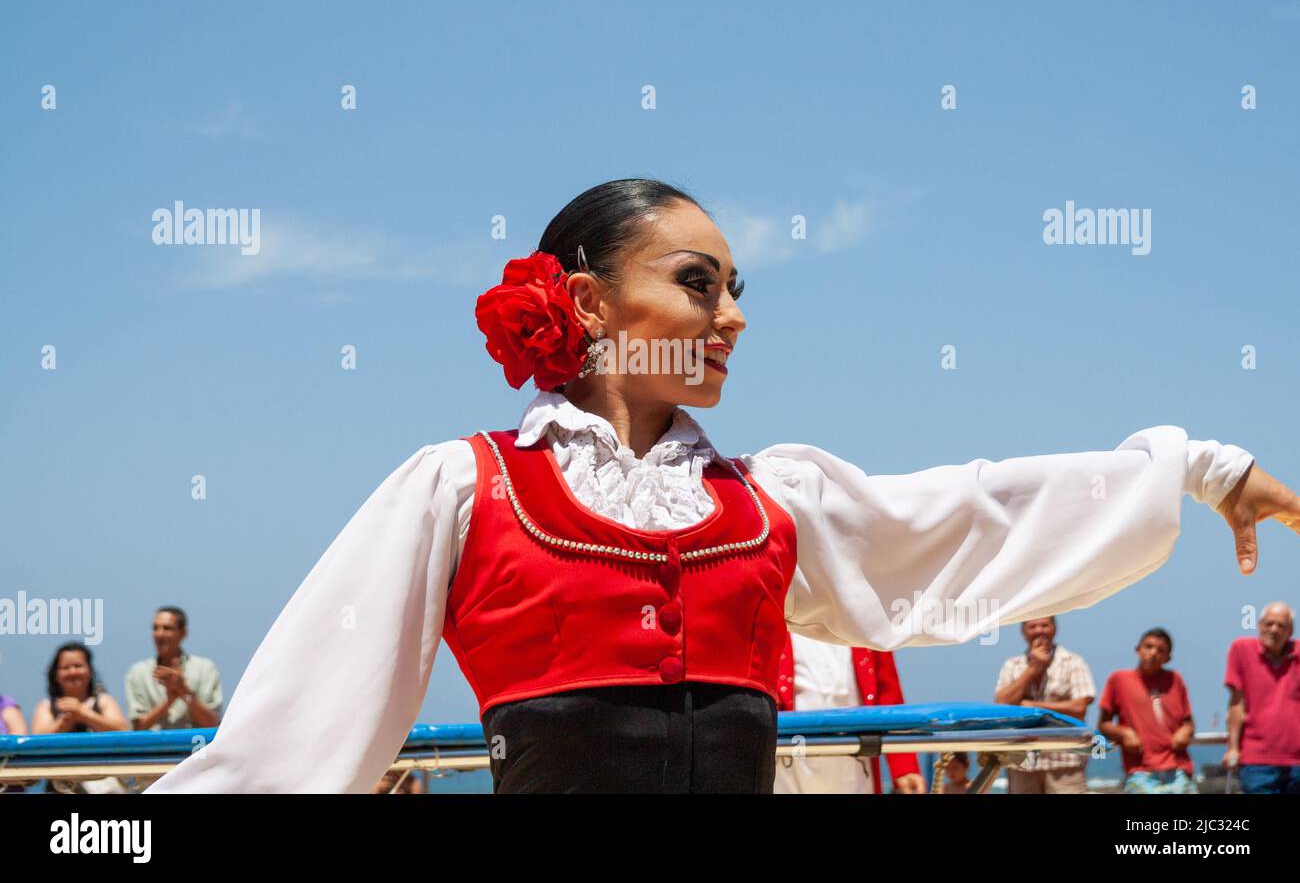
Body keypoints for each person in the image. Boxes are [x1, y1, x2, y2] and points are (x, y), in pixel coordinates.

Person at [147, 177, 1297, 794]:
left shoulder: (772, 499)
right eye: (698, 283)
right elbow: (291, 742)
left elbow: (970, 514)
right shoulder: (462, 485)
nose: (733, 315)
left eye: (735, 285)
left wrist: (1198, 468)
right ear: (590, 304)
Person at [773, 631, 924, 793]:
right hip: (790, 759)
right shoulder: (778, 618)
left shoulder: (865, 622)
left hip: (857, 759)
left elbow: (888, 695)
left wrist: (904, 767)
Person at [994, 616, 1095, 792]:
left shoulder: (1072, 662)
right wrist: (1032, 669)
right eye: (1033, 626)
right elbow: (1001, 705)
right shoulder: (1012, 665)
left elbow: (1079, 708)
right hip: (1022, 761)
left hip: (1065, 761)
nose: (1039, 630)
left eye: (1044, 625)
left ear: (1054, 628)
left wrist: (1030, 705)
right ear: (1023, 631)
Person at [1097, 628, 1196, 793]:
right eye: (1148, 647)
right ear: (1137, 649)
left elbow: (1189, 722)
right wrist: (1124, 733)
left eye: (1160, 650)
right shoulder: (1119, 680)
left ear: (1168, 657)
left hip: (1177, 770)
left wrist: (1185, 731)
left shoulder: (1175, 680)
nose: (1153, 653)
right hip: (1141, 771)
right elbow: (1103, 724)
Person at [31, 643, 130, 793]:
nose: (73, 672)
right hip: (60, 788)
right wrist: (64, 722)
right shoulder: (46, 706)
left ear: (90, 671)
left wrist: (84, 714)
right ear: (56, 675)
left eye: (78, 666)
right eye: (66, 668)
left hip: (105, 785)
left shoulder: (104, 701)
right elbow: (35, 744)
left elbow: (123, 732)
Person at [1224, 602, 1300, 793]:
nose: (1274, 630)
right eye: (1269, 624)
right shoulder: (1241, 649)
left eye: (1281, 626)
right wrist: (1232, 748)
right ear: (1259, 625)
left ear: (1290, 631)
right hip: (1256, 760)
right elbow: (1236, 703)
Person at [125, 606, 222, 731]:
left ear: (183, 633)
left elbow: (212, 723)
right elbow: (138, 727)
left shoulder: (205, 669)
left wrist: (184, 690)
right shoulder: (137, 673)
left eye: (167, 628)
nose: (159, 634)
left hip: (195, 748)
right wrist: (169, 701)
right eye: (155, 628)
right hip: (153, 749)